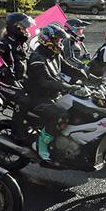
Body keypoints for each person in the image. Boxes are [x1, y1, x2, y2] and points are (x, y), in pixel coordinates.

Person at [24, 24, 90, 162]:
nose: (60, 43)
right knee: (62, 115)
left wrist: (92, 78)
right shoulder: (37, 57)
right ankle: (40, 143)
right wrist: (68, 87)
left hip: (53, 95)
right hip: (39, 97)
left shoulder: (54, 54)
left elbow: (70, 69)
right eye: (57, 40)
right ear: (48, 39)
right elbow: (45, 81)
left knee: (78, 109)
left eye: (60, 41)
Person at [0, 12, 35, 89]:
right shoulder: (2, 44)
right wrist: (6, 71)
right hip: (4, 82)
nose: (26, 31)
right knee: (26, 100)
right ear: (15, 27)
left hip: (19, 80)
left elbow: (27, 62)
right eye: (24, 28)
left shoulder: (23, 44)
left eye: (26, 28)